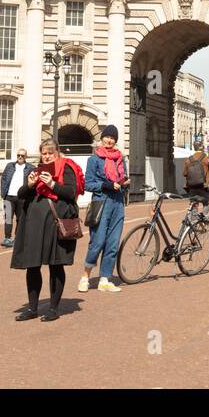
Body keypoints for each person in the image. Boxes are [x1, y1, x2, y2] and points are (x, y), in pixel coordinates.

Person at [11, 138, 82, 321]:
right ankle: (32, 308)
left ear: (57, 153)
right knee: (33, 265)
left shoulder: (66, 167)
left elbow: (70, 193)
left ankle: (53, 309)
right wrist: (30, 185)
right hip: (34, 225)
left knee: (55, 265)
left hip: (55, 224)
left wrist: (52, 184)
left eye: (50, 152)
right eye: (44, 153)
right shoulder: (36, 171)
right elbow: (20, 195)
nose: (47, 156)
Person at [80, 125, 128, 293]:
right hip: (100, 202)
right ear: (102, 138)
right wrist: (106, 185)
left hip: (118, 203)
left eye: (113, 138)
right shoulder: (94, 159)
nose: (110, 140)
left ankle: (105, 279)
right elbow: (88, 184)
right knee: (97, 241)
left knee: (113, 243)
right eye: (107, 137)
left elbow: (123, 178)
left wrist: (125, 183)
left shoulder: (121, 158)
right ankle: (85, 276)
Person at [0, 148, 32, 248]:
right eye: (18, 155)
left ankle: (18, 238)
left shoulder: (30, 168)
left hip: (21, 197)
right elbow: (3, 179)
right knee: (8, 218)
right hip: (9, 196)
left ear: (26, 157)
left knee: (20, 218)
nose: (20, 157)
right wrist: (3, 193)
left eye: (22, 155)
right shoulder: (10, 166)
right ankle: (7, 238)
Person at [183, 147, 209, 216]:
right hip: (203, 186)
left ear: (194, 147)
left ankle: (194, 222)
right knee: (206, 203)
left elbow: (185, 174)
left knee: (194, 204)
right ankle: (202, 217)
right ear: (202, 149)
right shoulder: (207, 158)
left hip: (191, 187)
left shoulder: (189, 160)